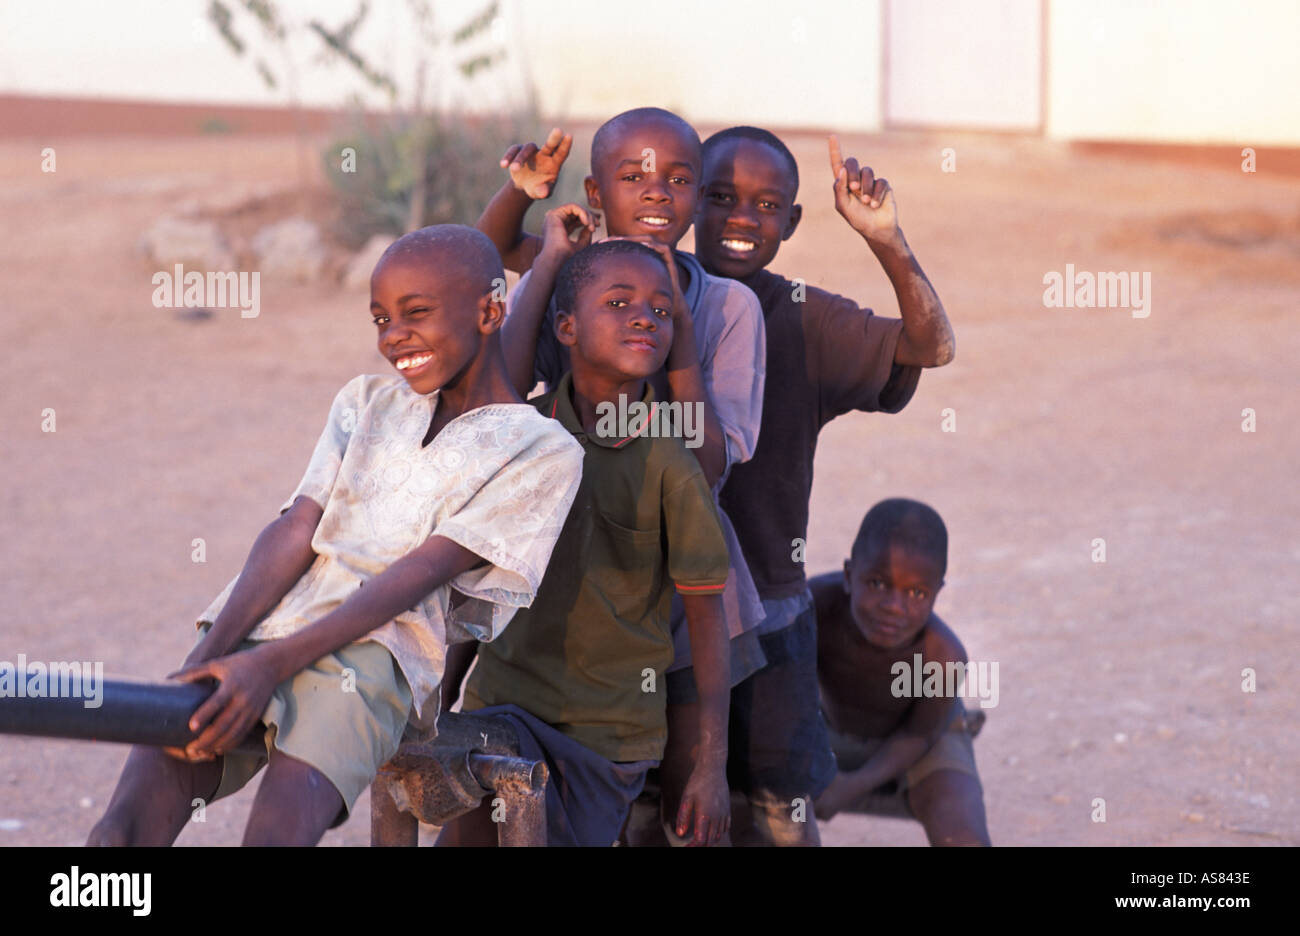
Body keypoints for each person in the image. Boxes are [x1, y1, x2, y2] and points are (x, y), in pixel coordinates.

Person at [85, 225, 583, 846]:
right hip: (264, 623)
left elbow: (419, 572)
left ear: (489, 309)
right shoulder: (366, 401)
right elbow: (296, 528)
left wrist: (271, 667)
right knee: (117, 836)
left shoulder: (540, 449)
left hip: (373, 658)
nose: (393, 336)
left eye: (416, 313)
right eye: (380, 319)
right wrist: (212, 655)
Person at [477, 109, 771, 841]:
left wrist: (680, 336)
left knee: (672, 788)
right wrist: (543, 254)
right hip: (577, 586)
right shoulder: (574, 284)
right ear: (595, 191)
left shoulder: (726, 305)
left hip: (678, 581)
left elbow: (705, 467)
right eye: (633, 177)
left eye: (676, 180)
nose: (654, 195)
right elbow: (499, 402)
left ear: (697, 197)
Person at [694, 127, 956, 844]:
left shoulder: (806, 316)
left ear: (793, 221)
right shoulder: (648, 295)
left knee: (783, 800)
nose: (742, 218)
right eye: (719, 197)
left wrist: (885, 238)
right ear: (687, 200)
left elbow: (931, 346)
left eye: (766, 203)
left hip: (771, 604)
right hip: (657, 608)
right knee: (662, 795)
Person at [437, 239, 732, 846]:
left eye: (659, 309)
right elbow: (472, 577)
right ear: (566, 327)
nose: (643, 317)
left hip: (603, 736)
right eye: (618, 302)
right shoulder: (525, 433)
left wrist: (711, 765)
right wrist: (441, 702)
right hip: (500, 703)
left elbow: (706, 619)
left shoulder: (671, 462)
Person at [811, 498, 991, 846]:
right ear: (849, 576)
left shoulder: (943, 657)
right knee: (735, 792)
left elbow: (919, 736)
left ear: (937, 593)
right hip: (828, 728)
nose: (894, 607)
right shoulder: (814, 606)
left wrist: (849, 788)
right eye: (877, 583)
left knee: (963, 834)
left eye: (917, 592)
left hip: (920, 740)